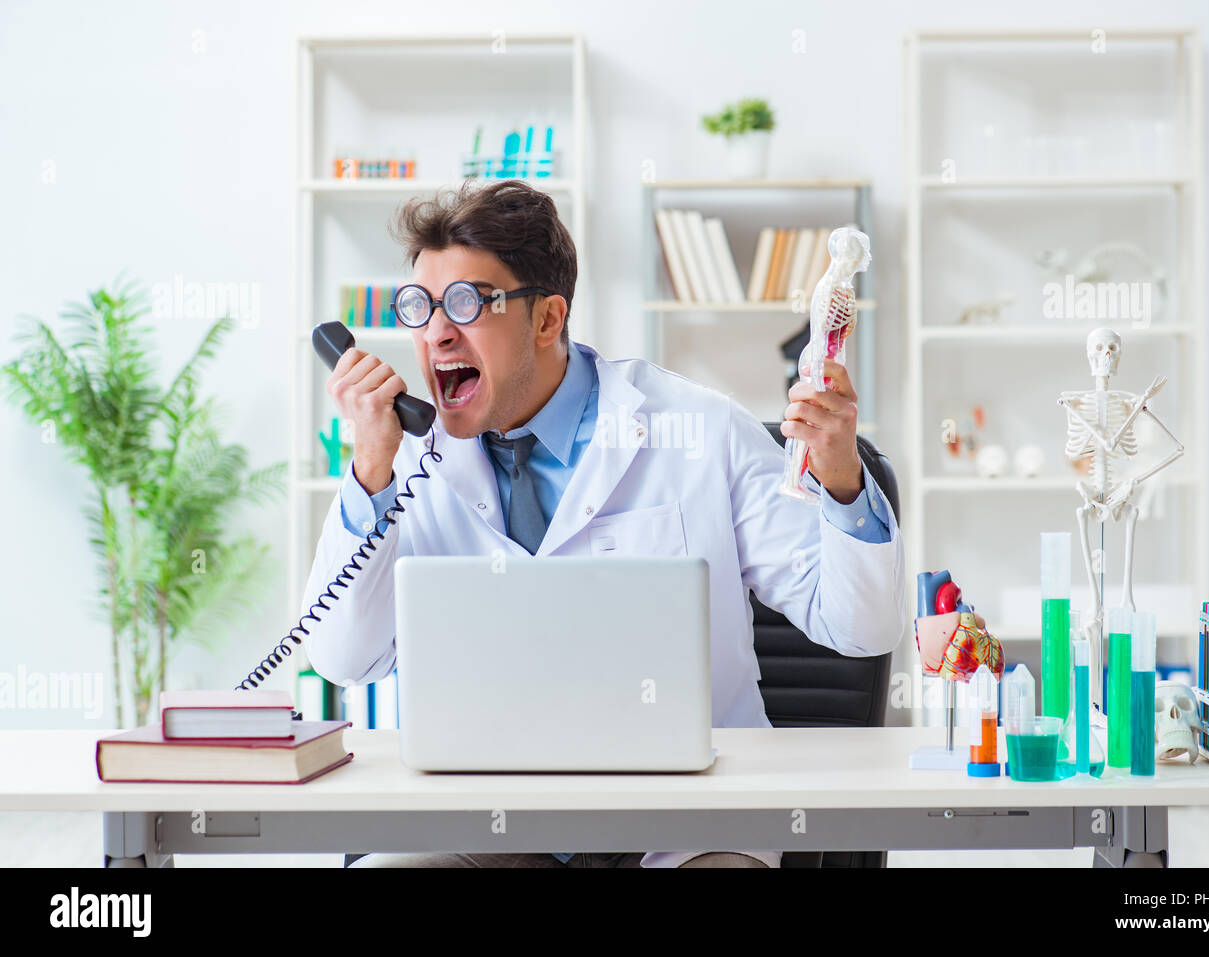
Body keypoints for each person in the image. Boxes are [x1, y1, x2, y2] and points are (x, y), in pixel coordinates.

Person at [303, 179, 905, 868]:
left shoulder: (700, 430)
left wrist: (840, 476)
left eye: (466, 302)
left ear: (547, 320)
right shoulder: (406, 463)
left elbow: (861, 627)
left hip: (688, 824)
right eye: (419, 306)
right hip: (486, 821)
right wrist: (370, 472)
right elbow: (344, 658)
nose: (437, 330)